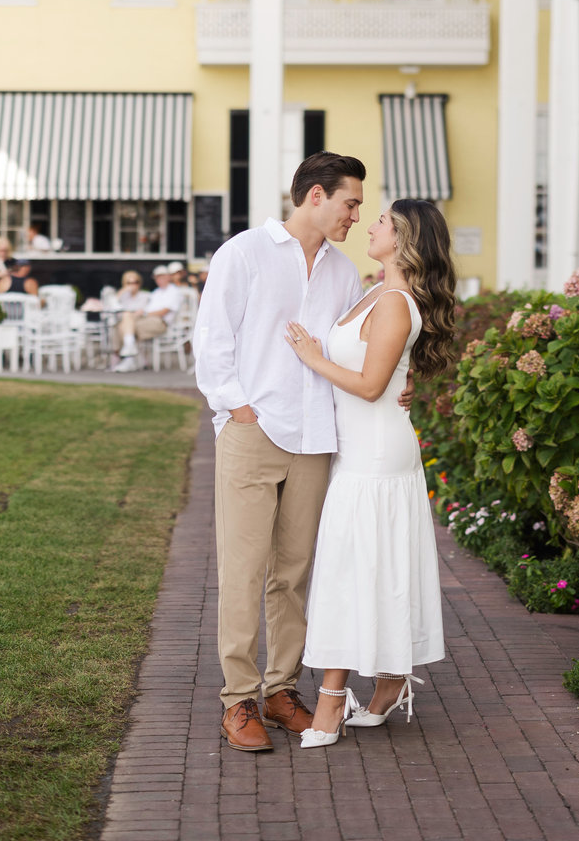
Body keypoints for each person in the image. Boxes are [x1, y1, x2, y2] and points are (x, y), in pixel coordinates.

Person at [192, 151, 369, 752]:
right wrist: (236, 407)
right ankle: (237, 700)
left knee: (292, 575)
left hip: (317, 437)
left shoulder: (345, 273)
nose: (354, 216)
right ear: (315, 196)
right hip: (253, 430)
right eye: (350, 203)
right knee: (242, 571)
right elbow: (213, 338)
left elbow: (349, 352)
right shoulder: (243, 253)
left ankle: (280, 690)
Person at [283, 199, 459, 749]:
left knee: (350, 569)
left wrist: (311, 356)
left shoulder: (396, 302)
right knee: (368, 566)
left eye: (381, 221)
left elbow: (368, 385)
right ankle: (388, 682)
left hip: (375, 455)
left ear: (404, 239)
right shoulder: (375, 291)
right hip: (357, 448)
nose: (369, 225)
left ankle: (332, 702)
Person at [112, 265, 181, 372]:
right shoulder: (155, 293)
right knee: (126, 320)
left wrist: (144, 313)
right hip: (147, 321)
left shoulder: (173, 291)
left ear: (168, 277)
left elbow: (164, 311)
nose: (159, 280)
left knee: (123, 327)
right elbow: (114, 304)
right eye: (157, 277)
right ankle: (129, 351)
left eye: (162, 277)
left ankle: (127, 357)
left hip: (160, 322)